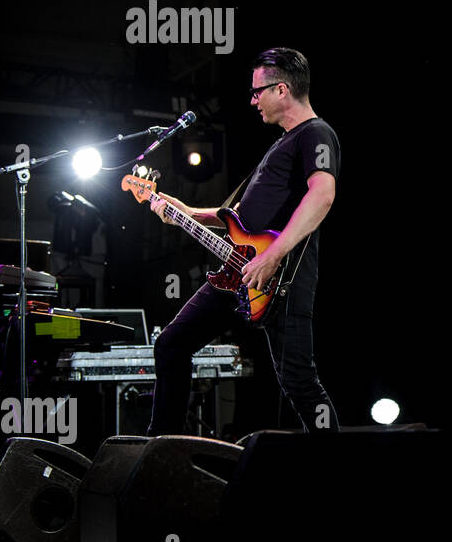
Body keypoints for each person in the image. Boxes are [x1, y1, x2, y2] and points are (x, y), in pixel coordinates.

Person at [146, 48, 341, 435]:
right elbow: (239, 222)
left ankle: (334, 468)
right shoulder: (281, 143)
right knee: (171, 344)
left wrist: (274, 257)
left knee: (299, 382)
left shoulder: (317, 134)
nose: (252, 100)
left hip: (282, 278)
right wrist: (184, 210)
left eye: (258, 91)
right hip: (238, 271)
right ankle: (161, 448)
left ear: (282, 89)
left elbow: (322, 195)